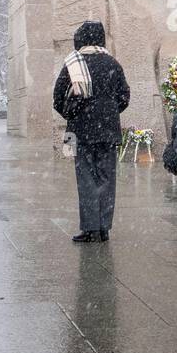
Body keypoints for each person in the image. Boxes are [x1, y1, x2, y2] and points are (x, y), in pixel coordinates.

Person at [52, 20, 130, 243]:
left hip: (81, 130)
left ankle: (90, 228)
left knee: (86, 177)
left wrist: (74, 114)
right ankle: (104, 228)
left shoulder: (72, 63)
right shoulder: (113, 63)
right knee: (106, 177)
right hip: (107, 130)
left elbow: (58, 98)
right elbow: (124, 96)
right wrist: (109, 112)